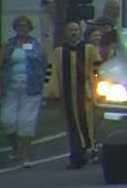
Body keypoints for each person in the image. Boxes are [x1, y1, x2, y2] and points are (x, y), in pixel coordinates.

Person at [43, 21, 104, 168]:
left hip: (86, 95)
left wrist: (98, 89)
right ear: (66, 33)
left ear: (80, 32)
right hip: (67, 96)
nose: (73, 32)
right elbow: (51, 74)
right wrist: (51, 93)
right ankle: (77, 156)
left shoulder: (89, 49)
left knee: (88, 125)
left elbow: (98, 71)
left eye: (76, 30)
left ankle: (87, 152)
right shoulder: (58, 52)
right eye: (70, 30)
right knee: (71, 127)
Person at [0, 16, 46, 167]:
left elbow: (46, 66)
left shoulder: (37, 45)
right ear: (15, 28)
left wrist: (46, 87)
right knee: (8, 121)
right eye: (19, 26)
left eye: (25, 26)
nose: (22, 28)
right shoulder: (7, 45)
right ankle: (15, 148)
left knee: (26, 122)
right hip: (9, 88)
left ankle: (26, 156)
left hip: (31, 89)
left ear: (30, 28)